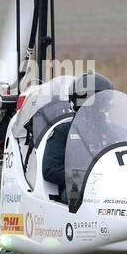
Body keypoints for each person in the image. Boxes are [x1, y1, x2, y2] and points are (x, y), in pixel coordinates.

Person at [40, 71, 112, 202]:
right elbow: (50, 169)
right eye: (88, 100)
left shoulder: (116, 132)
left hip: (111, 187)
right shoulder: (62, 132)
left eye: (99, 100)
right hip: (78, 190)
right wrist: (85, 178)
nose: (94, 105)